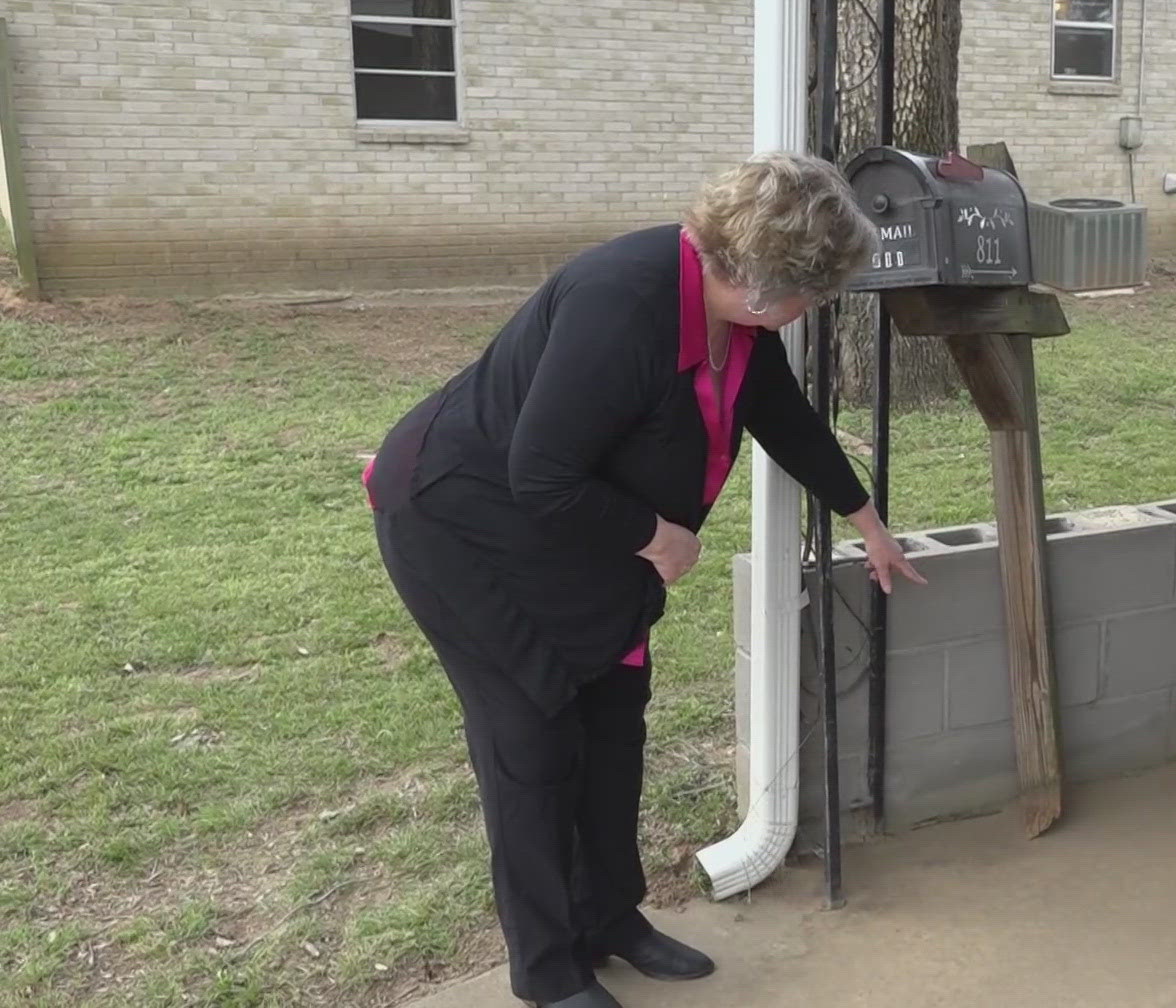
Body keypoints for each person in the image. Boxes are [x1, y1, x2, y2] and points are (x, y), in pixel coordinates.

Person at [363, 152, 925, 1008]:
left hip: (578, 531)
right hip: (463, 525)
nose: (815, 311)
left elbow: (780, 417)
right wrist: (660, 538)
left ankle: (610, 917)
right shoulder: (623, 302)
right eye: (816, 295)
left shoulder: (736, 322)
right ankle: (548, 971)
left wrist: (867, 524)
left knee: (614, 721)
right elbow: (540, 471)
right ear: (765, 286)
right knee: (534, 739)